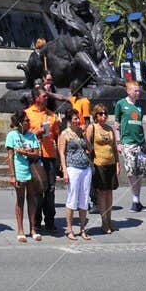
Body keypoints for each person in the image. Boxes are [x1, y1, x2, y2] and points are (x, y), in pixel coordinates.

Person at [25, 87, 60, 234]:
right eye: (44, 96)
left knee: (50, 189)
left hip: (49, 156)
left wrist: (59, 159)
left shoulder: (52, 115)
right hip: (35, 156)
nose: (47, 98)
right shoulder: (27, 114)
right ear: (36, 98)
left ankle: (50, 220)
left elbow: (57, 137)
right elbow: (22, 135)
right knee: (37, 189)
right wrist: (35, 133)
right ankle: (36, 221)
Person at [5, 107, 43, 242]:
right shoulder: (12, 135)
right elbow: (10, 157)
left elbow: (37, 154)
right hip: (19, 170)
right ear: (20, 122)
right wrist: (12, 175)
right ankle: (20, 230)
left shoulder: (32, 135)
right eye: (26, 120)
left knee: (32, 199)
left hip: (32, 170)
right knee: (20, 199)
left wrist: (24, 152)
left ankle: (33, 228)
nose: (29, 122)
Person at [58, 103, 94, 242]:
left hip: (85, 168)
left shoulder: (81, 132)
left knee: (84, 199)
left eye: (78, 118)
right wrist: (65, 171)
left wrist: (85, 136)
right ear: (69, 120)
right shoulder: (64, 134)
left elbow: (90, 149)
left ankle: (83, 229)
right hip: (72, 168)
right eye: (75, 119)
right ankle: (69, 228)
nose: (78, 121)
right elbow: (62, 154)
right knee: (72, 198)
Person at [113, 80, 146, 212]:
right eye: (135, 90)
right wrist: (118, 142)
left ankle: (137, 200)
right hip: (128, 142)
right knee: (131, 171)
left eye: (139, 91)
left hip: (140, 143)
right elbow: (117, 125)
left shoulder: (139, 107)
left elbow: (139, 124)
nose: (138, 93)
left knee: (140, 172)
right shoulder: (121, 104)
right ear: (128, 91)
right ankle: (134, 200)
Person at [90, 103, 120, 233]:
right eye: (100, 114)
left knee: (110, 192)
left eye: (105, 114)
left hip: (111, 163)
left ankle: (109, 219)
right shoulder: (92, 128)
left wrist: (117, 163)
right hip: (99, 164)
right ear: (95, 115)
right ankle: (104, 222)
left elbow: (114, 147)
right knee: (102, 193)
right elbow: (88, 146)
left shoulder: (109, 128)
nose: (104, 116)